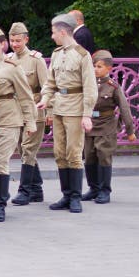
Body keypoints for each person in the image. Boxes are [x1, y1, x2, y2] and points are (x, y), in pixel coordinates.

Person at [36, 13, 98, 213]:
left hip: (76, 108)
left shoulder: (82, 55)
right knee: (59, 152)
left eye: (54, 32)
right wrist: (45, 99)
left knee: (73, 152)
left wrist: (87, 114)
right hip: (59, 107)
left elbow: (90, 87)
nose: (52, 36)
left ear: (63, 32)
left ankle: (75, 197)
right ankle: (65, 195)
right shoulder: (56, 54)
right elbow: (51, 82)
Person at [0, 25, 37, 222]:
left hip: (8, 118)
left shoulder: (12, 68)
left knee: (0, 161)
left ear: (3, 44)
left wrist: (30, 122)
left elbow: (25, 96)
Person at [81, 50, 136, 203]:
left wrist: (130, 131)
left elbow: (124, 108)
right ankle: (93, 189)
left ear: (109, 69)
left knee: (104, 157)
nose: (95, 69)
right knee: (89, 157)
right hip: (90, 125)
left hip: (106, 126)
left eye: (99, 66)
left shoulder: (113, 86)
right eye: (94, 66)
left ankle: (105, 190)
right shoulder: (87, 84)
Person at [8, 22, 49, 205]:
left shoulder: (35, 59)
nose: (15, 44)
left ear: (26, 39)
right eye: (12, 40)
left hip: (34, 109)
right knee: (22, 148)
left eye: (18, 40)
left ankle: (24, 190)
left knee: (29, 149)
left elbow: (47, 86)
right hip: (15, 111)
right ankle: (37, 188)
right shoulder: (8, 59)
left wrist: (49, 110)